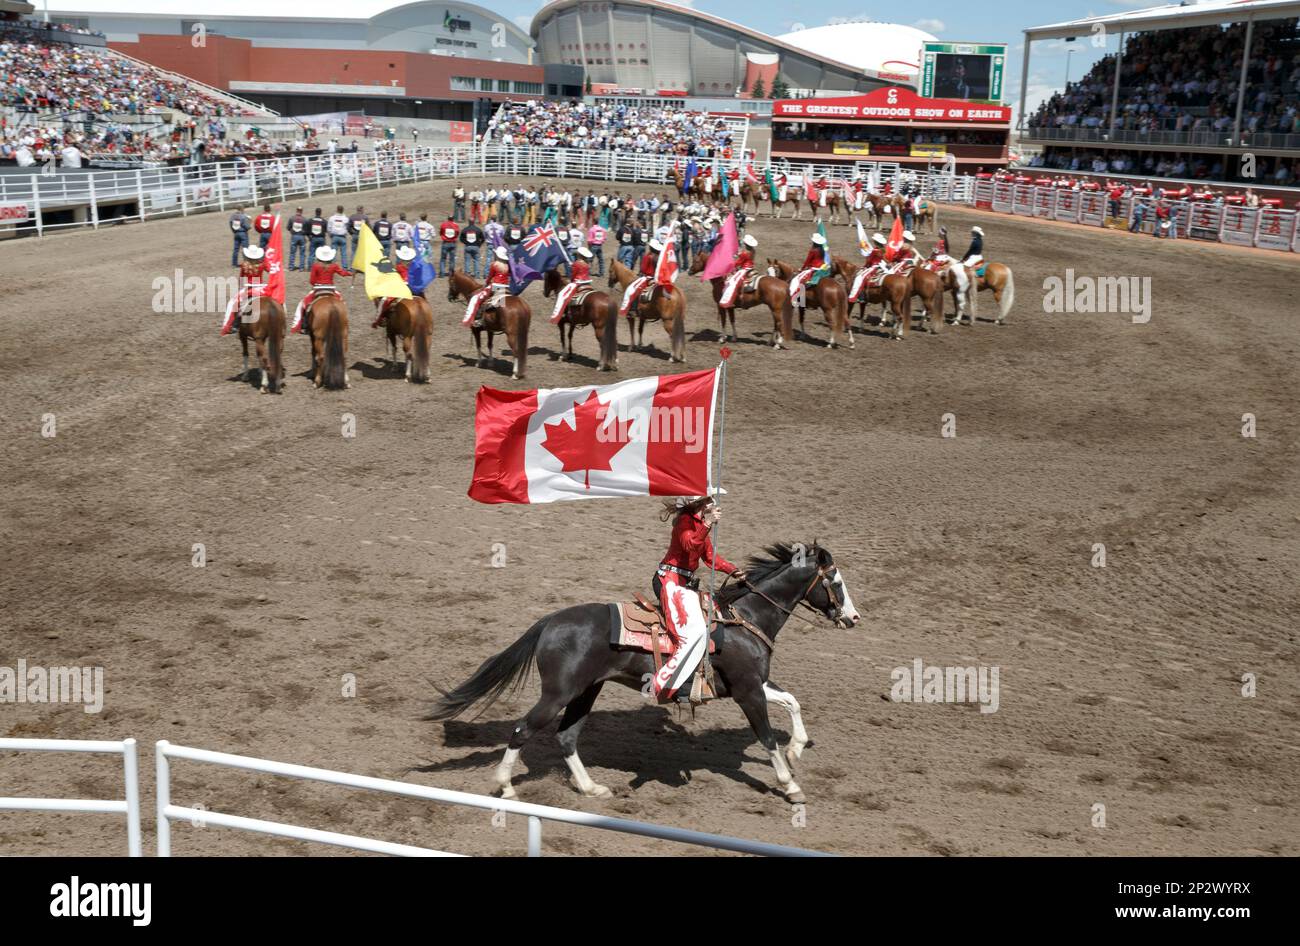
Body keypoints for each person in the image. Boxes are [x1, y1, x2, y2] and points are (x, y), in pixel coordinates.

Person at [651, 495, 743, 703]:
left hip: (683, 582)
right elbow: (690, 545)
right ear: (698, 505)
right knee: (689, 632)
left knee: (702, 625)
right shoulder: (685, 522)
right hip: (670, 581)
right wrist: (708, 523)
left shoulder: (699, 524)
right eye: (708, 501)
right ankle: (667, 682)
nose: (712, 504)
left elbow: (709, 556)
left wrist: (733, 570)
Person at [293, 245, 352, 334]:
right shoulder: (334, 265)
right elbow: (343, 273)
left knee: (303, 304)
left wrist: (315, 285)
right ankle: (345, 324)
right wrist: (350, 273)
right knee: (343, 304)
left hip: (318, 288)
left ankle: (303, 325)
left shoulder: (316, 266)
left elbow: (312, 280)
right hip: (331, 289)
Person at [221, 245, 269, 335]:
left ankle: (233, 325)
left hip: (248, 287)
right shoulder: (262, 265)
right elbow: (271, 269)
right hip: (260, 288)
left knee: (233, 303)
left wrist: (240, 288)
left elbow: (242, 278)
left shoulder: (244, 265)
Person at [462, 245, 511, 329]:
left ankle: (474, 319)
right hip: (505, 287)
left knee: (476, 298)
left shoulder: (494, 264)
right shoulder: (507, 266)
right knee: (500, 303)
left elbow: (490, 277)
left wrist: (487, 283)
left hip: (495, 285)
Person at [372, 244, 416, 328]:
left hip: (401, 289)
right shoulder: (414, 266)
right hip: (413, 288)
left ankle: (378, 319)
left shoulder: (398, 267)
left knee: (384, 300)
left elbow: (391, 276)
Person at [551, 246, 593, 324]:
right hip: (587, 282)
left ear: (579, 255)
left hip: (578, 282)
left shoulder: (576, 263)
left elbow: (573, 275)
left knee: (562, 294)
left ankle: (558, 313)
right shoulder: (587, 264)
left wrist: (570, 280)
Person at [719, 234, 758, 309]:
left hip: (744, 269)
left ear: (746, 244)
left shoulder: (745, 253)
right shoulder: (753, 251)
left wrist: (731, 265)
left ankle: (728, 302)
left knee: (733, 282)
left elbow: (738, 263)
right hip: (751, 268)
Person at [287, 207, 308, 271]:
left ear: (296, 210)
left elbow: (288, 227)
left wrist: (292, 231)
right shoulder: (304, 219)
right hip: (301, 236)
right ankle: (301, 267)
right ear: (301, 211)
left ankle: (291, 266)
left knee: (292, 252)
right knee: (302, 253)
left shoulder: (292, 218)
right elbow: (306, 229)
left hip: (294, 236)